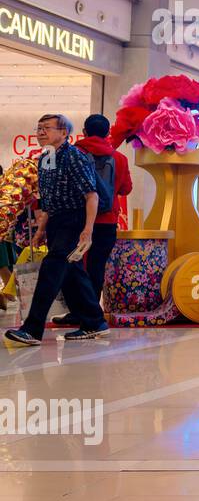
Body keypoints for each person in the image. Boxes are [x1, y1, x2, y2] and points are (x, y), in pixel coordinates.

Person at [4, 114, 110, 346]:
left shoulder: (74, 157)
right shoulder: (46, 158)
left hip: (75, 219)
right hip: (57, 221)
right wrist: (42, 228)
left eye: (47, 128)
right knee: (71, 273)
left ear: (64, 133)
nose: (41, 132)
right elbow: (49, 200)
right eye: (39, 128)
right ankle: (94, 322)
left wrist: (88, 229)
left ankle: (32, 329)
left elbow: (91, 195)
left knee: (52, 268)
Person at [52, 113, 133, 328]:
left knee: (73, 266)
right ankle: (90, 313)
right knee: (96, 268)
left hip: (78, 220)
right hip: (107, 222)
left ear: (84, 131)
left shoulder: (74, 153)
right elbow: (126, 188)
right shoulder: (120, 158)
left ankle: (79, 313)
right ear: (107, 133)